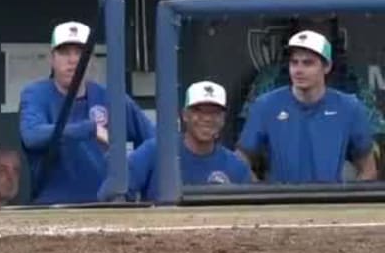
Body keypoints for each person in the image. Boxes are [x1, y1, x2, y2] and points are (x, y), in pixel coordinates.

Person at [19, 21, 152, 205]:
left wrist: (131, 178)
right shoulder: (36, 94)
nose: (73, 60)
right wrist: (90, 129)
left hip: (105, 207)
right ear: (52, 59)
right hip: (52, 208)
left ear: (91, 60)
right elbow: (31, 135)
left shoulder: (110, 97)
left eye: (80, 53)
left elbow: (154, 140)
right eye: (64, 52)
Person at [238, 30, 377, 184]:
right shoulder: (266, 105)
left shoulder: (349, 107)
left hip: (330, 198)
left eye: (307, 63)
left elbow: (368, 167)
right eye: (294, 62)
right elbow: (241, 159)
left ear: (327, 67)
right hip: (281, 197)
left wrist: (348, 198)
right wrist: (262, 194)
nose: (298, 70)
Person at [110, 81, 250, 202]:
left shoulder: (236, 167)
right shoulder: (154, 151)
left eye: (214, 112)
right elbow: (113, 194)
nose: (207, 118)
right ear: (185, 115)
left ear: (223, 119)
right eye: (198, 111)